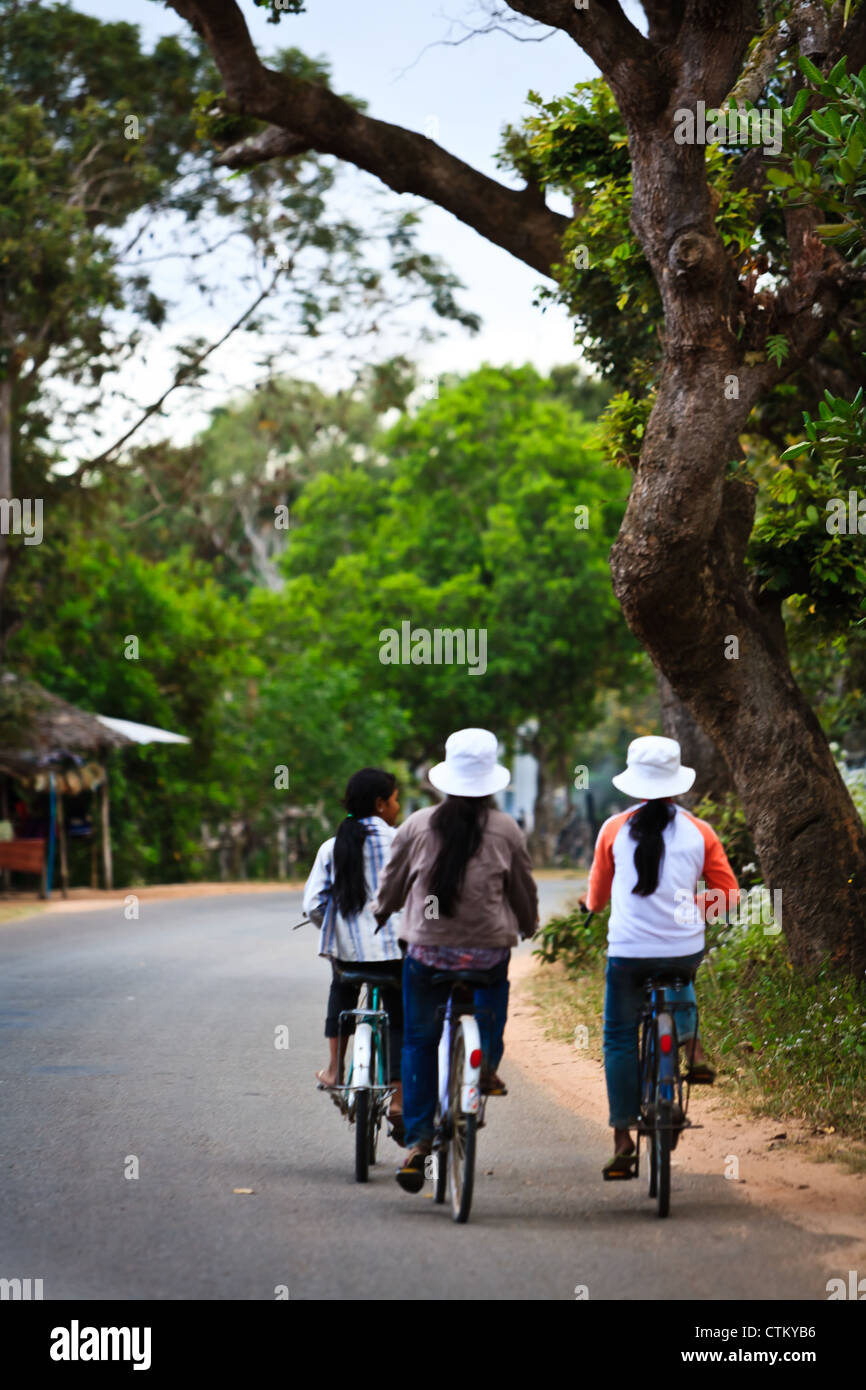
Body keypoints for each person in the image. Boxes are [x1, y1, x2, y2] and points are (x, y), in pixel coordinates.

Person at [371, 728, 538, 1193]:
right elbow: (522, 889)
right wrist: (527, 924)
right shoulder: (506, 829)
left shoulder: (418, 824)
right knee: (492, 1010)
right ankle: (484, 1069)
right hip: (487, 954)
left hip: (427, 954)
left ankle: (419, 1142)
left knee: (420, 1041)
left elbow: (393, 882)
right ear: (491, 782)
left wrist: (382, 911)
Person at [580, 735, 739, 1180]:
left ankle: (622, 1140)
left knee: (618, 1039)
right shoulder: (700, 831)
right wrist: (689, 910)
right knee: (678, 965)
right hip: (682, 950)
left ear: (633, 783)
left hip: (628, 955)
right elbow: (728, 897)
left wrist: (590, 908)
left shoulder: (613, 829)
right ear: (677, 783)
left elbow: (597, 896)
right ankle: (693, 1045)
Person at [303, 768, 405, 1140]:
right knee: (400, 1016)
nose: (397, 807)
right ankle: (397, 1097)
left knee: (341, 990)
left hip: (349, 957)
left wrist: (336, 930)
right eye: (395, 800)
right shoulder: (403, 842)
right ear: (380, 804)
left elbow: (314, 904)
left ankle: (334, 1069)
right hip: (395, 955)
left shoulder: (332, 847)